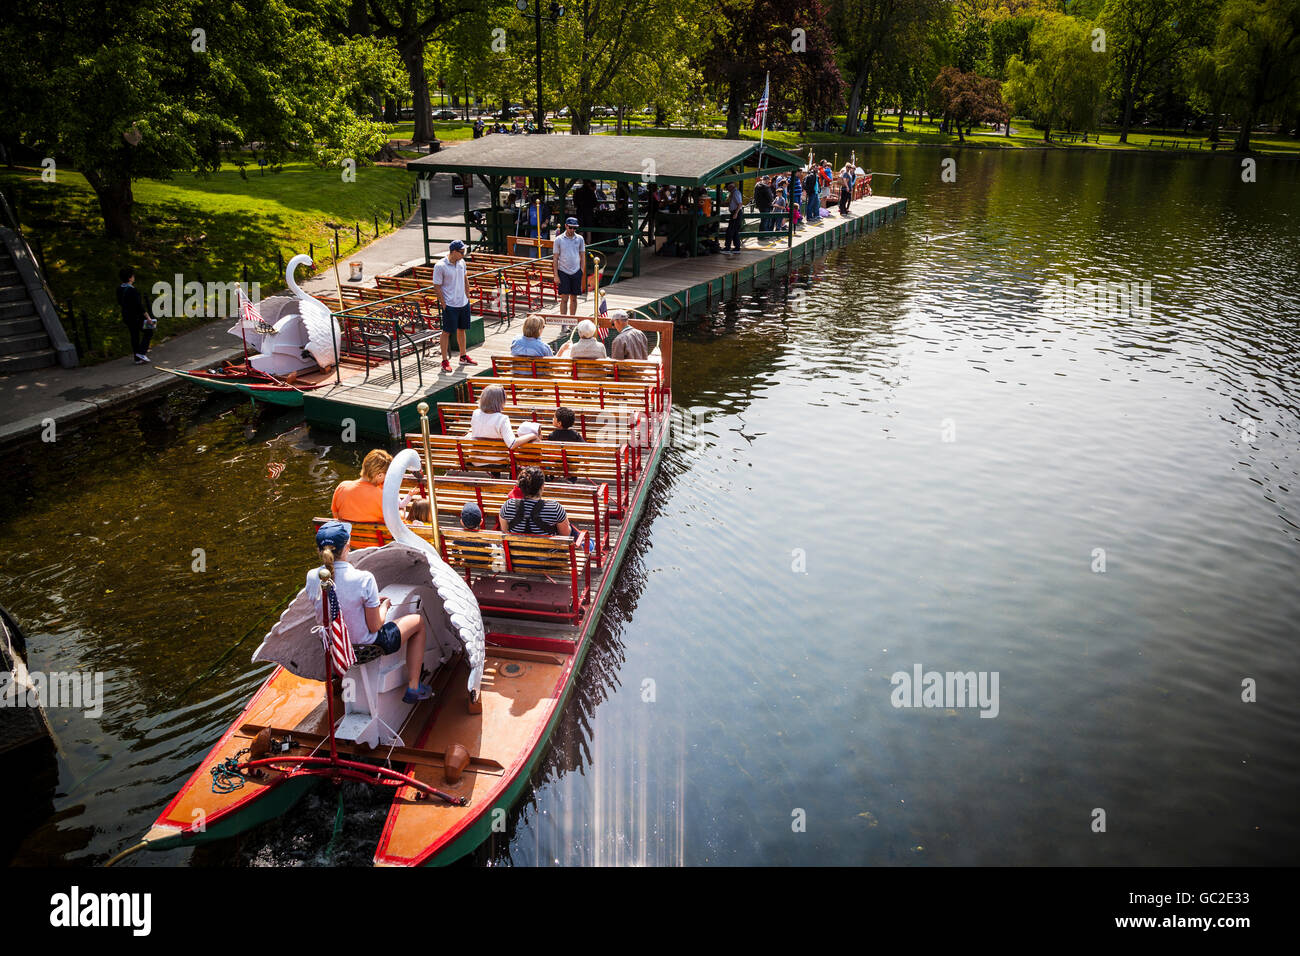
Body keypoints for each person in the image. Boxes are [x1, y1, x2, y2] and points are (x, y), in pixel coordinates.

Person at [308, 521, 432, 702]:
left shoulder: (312, 576)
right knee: (418, 623)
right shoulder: (364, 578)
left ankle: (336, 680)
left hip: (334, 645)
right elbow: (375, 626)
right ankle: (414, 687)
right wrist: (383, 607)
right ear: (347, 547)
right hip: (365, 648)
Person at [433, 239, 475, 373]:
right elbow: (437, 286)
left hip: (462, 302)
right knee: (446, 332)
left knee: (462, 329)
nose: (464, 254)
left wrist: (467, 295)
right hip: (450, 304)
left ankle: (463, 356)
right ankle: (444, 360)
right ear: (454, 252)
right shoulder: (440, 266)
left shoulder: (461, 262)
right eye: (462, 252)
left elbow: (465, 277)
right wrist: (444, 304)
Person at [498, 466, 571, 537]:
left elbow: (505, 532)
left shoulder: (508, 506)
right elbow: (565, 534)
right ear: (542, 486)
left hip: (514, 548)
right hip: (548, 549)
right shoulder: (555, 508)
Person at [331, 449, 393, 523]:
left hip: (347, 533)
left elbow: (335, 514)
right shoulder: (382, 496)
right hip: (375, 534)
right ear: (380, 475)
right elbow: (395, 521)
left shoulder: (342, 487)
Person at [117, 267, 156, 364]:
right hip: (137, 316)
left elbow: (120, 302)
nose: (134, 277)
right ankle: (141, 353)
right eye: (133, 276)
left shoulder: (119, 289)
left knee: (134, 335)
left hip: (126, 316)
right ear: (130, 278)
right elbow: (139, 306)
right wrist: (148, 317)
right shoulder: (132, 290)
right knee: (149, 331)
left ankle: (137, 358)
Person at [552, 216, 586, 316]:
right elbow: (555, 258)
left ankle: (572, 321)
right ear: (566, 226)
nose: (572, 230)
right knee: (564, 299)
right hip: (563, 271)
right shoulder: (558, 239)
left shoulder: (580, 239)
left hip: (576, 271)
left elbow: (582, 255)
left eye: (575, 228)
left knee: (574, 298)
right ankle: (563, 322)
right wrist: (556, 275)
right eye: (570, 227)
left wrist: (581, 271)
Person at [723, 181, 744, 253]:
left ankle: (727, 248)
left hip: (736, 213)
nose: (727, 190)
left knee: (730, 231)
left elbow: (740, 204)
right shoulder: (734, 193)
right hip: (736, 212)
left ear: (730, 187)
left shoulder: (735, 193)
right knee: (734, 231)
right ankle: (736, 248)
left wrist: (735, 213)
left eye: (727, 188)